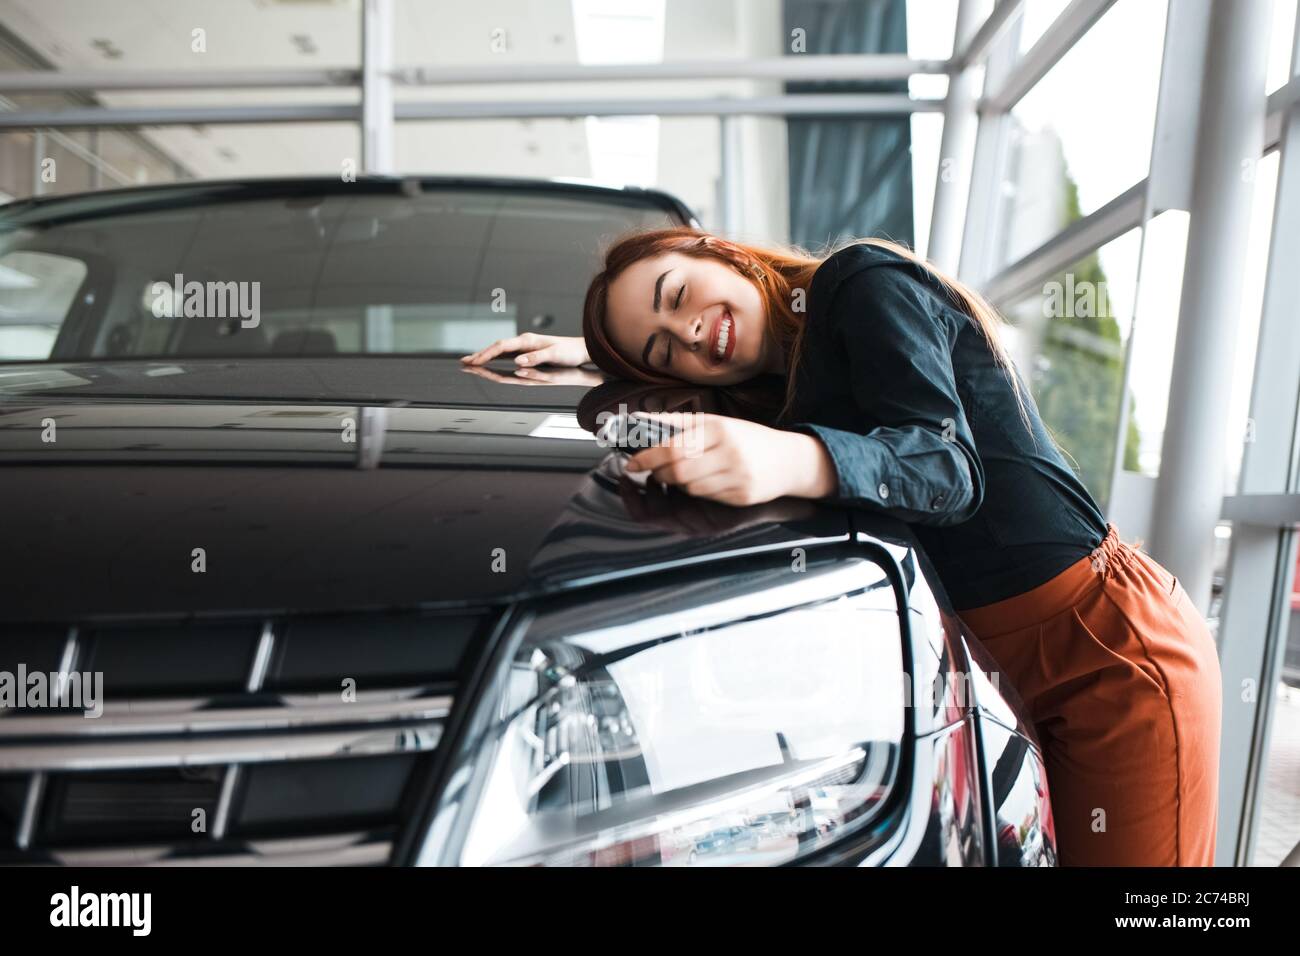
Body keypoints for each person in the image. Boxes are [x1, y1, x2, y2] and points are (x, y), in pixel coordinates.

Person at [461, 227, 1223, 867]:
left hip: (1104, 649)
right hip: (997, 674)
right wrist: (592, 355)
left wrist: (793, 461)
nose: (688, 331)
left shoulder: (859, 282)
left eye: (676, 295)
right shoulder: (786, 384)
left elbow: (945, 467)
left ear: (719, 252)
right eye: (662, 349)